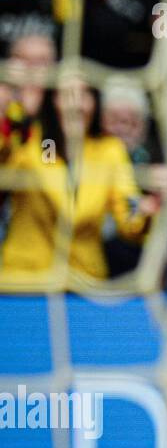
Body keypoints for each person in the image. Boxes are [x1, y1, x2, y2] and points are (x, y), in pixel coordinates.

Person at [0, 77, 156, 290]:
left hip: (85, 286)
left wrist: (148, 209)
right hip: (25, 284)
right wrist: (9, 115)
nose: (76, 104)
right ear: (50, 101)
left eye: (84, 94)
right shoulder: (32, 143)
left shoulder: (108, 151)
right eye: (65, 95)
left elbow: (129, 216)